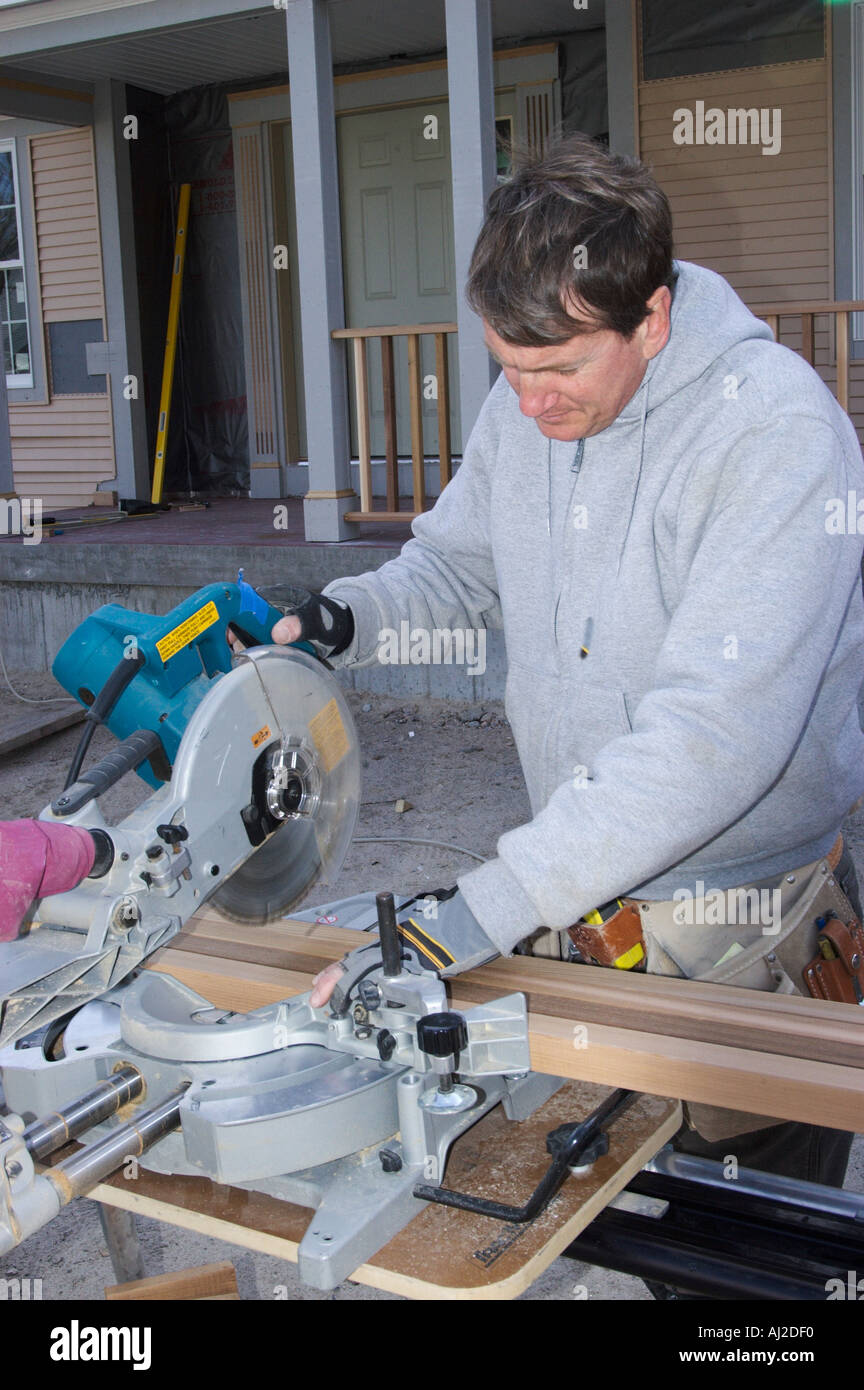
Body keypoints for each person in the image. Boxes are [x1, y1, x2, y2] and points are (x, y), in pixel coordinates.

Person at [244, 134, 864, 1190]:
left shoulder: (776, 435)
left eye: (561, 368)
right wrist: (340, 620)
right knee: (599, 1203)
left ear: (654, 317)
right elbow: (453, 570)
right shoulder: (532, 398)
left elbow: (713, 739)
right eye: (508, 367)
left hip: (746, 929)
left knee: (747, 1250)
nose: (531, 404)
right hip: (581, 899)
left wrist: (475, 916)